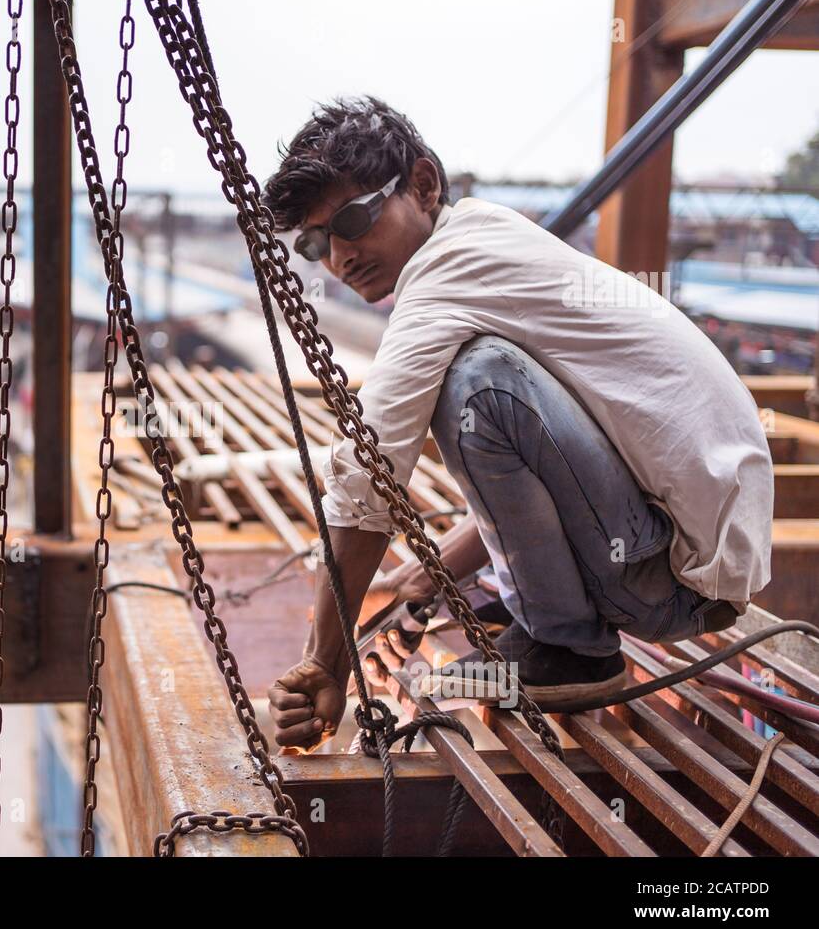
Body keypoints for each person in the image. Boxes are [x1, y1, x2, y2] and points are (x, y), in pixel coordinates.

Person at [261, 97, 773, 749]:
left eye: (355, 220)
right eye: (315, 242)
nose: (338, 258)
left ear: (422, 186)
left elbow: (368, 472)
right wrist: (434, 568)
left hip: (670, 575)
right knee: (484, 378)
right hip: (683, 558)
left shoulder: (446, 273)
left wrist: (326, 663)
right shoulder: (482, 239)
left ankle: (569, 647)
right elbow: (558, 454)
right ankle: (554, 623)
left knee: (476, 381)